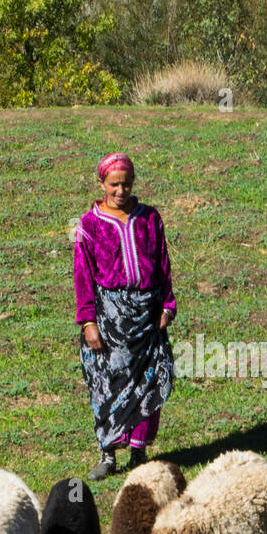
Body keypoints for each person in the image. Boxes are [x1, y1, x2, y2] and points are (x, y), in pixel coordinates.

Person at [73, 152, 176, 480]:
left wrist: (166, 306)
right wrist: (88, 321)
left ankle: (139, 451)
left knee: (148, 380)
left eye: (127, 183)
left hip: (146, 315)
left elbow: (162, 264)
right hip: (109, 317)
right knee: (108, 383)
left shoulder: (150, 218)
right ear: (101, 183)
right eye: (114, 184)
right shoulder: (89, 225)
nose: (121, 190)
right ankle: (107, 453)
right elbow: (83, 275)